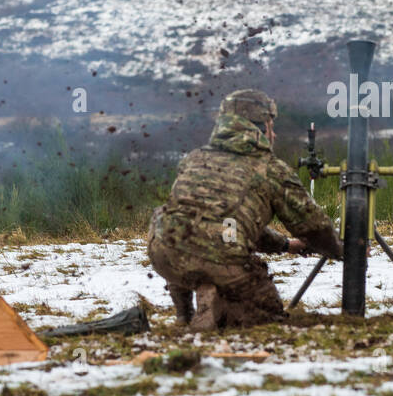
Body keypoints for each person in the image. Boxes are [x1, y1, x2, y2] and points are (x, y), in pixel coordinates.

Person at [147, 89, 343, 329]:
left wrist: (285, 246)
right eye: (271, 126)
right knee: (267, 316)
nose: (275, 133)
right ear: (259, 129)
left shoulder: (194, 159)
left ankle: (185, 315)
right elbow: (313, 227)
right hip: (221, 260)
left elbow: (227, 222)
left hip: (164, 257)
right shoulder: (270, 169)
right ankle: (215, 310)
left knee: (178, 225)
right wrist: (342, 251)